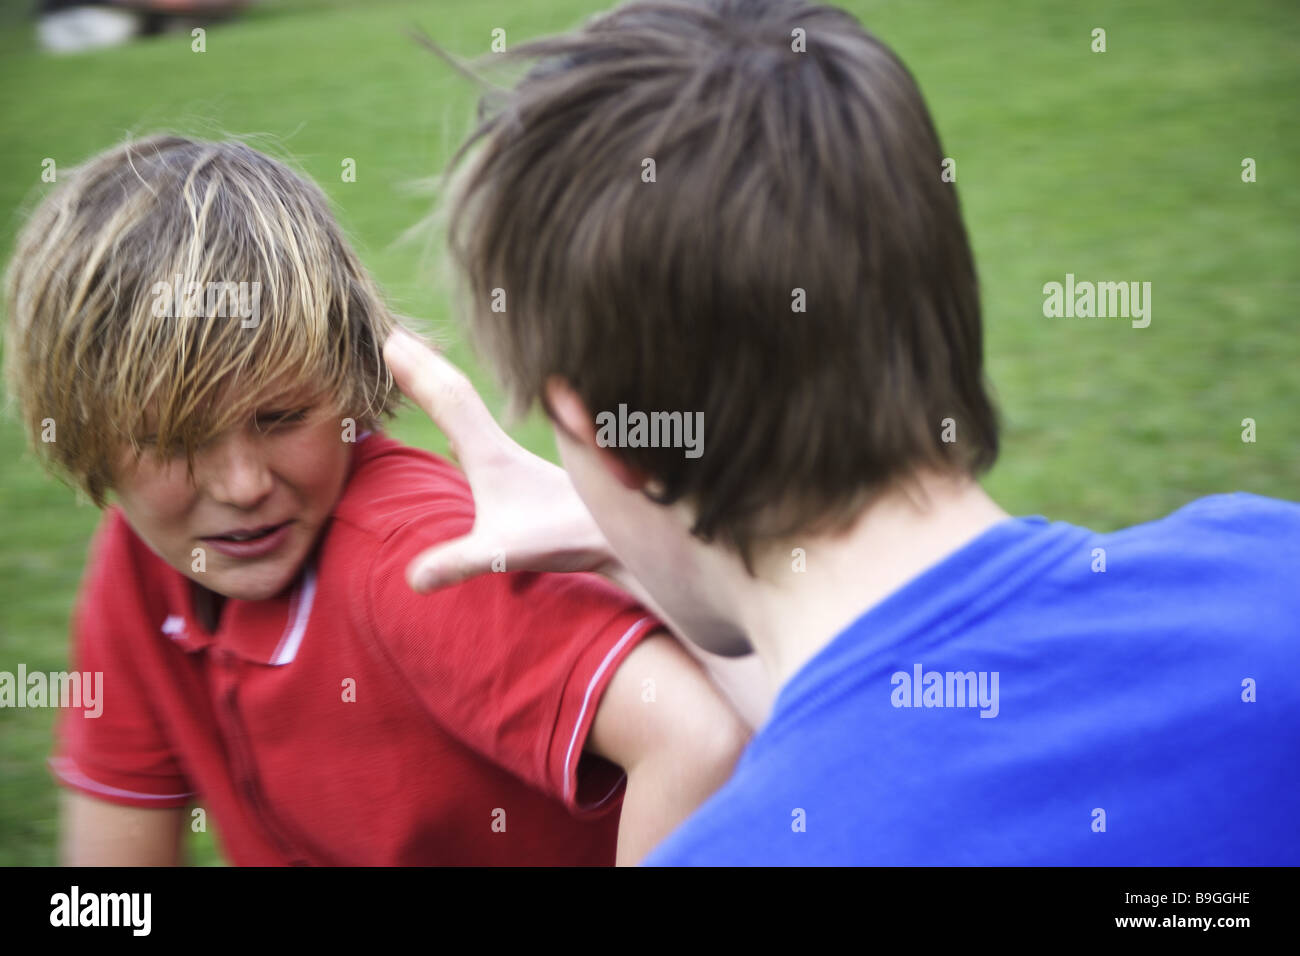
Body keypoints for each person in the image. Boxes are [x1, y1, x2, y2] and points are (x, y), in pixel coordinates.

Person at [382, 0, 1300, 864]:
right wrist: (623, 538)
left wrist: (636, 530)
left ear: (609, 440)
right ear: (944, 283)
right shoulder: (1271, 575)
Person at [3, 134, 749, 866]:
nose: (243, 485)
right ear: (89, 433)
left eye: (282, 418)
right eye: (174, 440)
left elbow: (695, 739)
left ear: (358, 369)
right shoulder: (145, 559)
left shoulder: (413, 557)